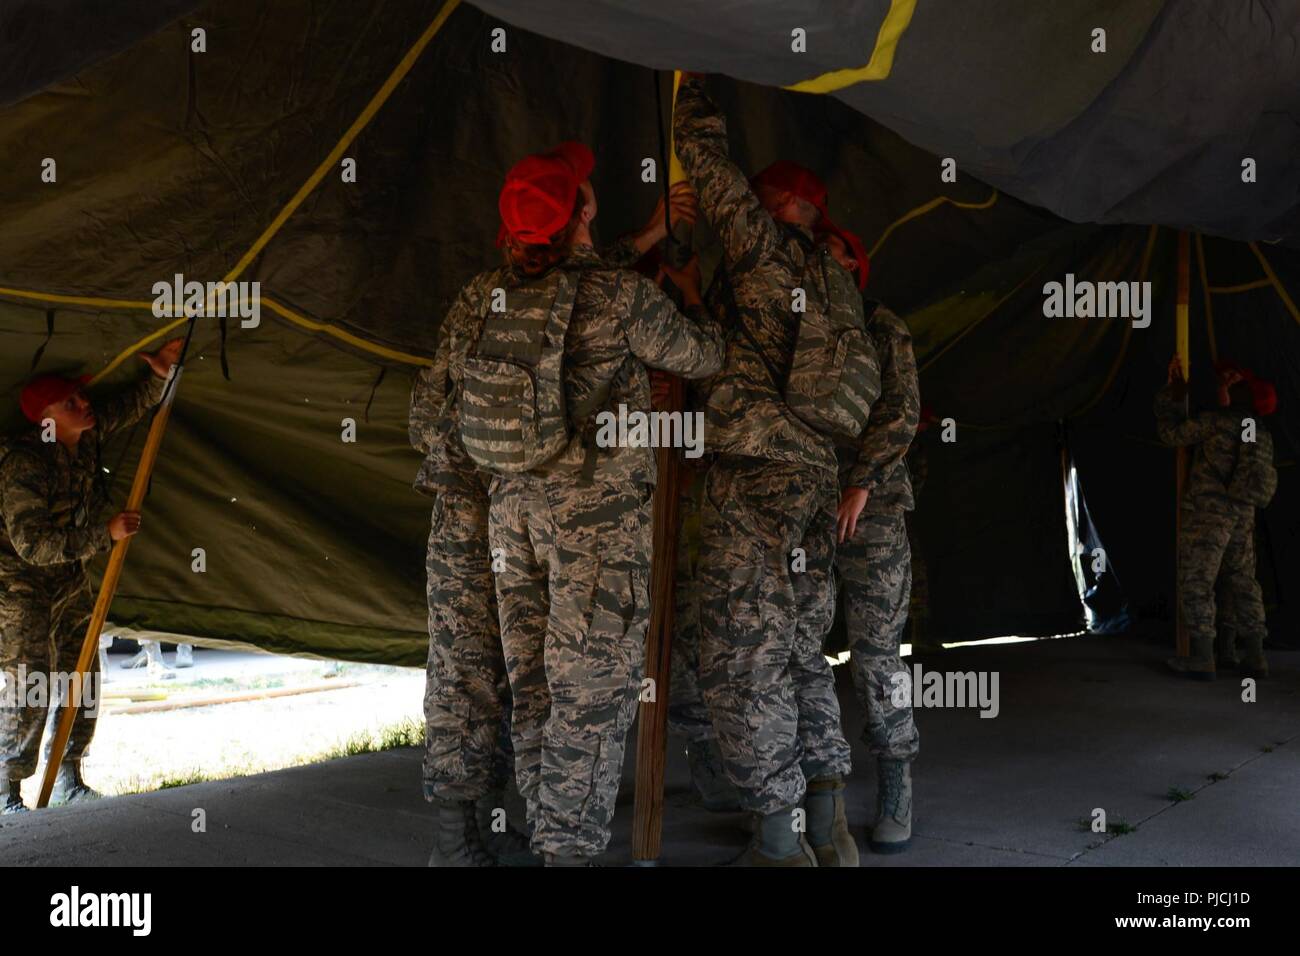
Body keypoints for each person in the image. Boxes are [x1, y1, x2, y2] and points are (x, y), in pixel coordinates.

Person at [437, 141, 723, 866]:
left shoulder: (481, 298)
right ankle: (566, 855)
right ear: (583, 213)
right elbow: (704, 356)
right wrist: (690, 296)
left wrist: (643, 241)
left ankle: (546, 836)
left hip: (512, 523)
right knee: (589, 699)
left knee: (534, 690)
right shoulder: (622, 299)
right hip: (595, 533)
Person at [674, 72, 880, 866]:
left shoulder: (758, 248)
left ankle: (775, 842)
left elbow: (702, 156)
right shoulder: (836, 284)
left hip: (752, 479)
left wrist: (692, 76)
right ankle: (828, 828)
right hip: (815, 485)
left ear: (768, 206)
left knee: (739, 661)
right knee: (799, 652)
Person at [0, 339, 181, 813]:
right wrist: (105, 534)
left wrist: (158, 375)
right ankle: (5, 789)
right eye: (71, 403)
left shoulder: (83, 438)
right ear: (45, 420)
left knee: (84, 679)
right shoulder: (24, 462)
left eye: (81, 398)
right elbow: (32, 546)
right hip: (19, 587)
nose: (85, 405)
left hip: (69, 581)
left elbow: (130, 406)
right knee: (30, 683)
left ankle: (68, 774)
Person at [824, 231, 922, 854]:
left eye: (835, 256)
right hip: (805, 507)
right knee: (795, 652)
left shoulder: (881, 326)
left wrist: (860, 482)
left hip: (873, 509)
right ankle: (814, 794)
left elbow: (902, 411)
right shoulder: (794, 321)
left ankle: (895, 777)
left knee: (877, 656)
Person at [1156, 356, 1278, 680]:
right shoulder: (1259, 431)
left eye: (1228, 385)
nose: (1221, 389)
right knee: (1243, 582)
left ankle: (1202, 658)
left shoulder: (1217, 421)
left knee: (1197, 580)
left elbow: (1171, 434)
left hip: (1209, 514)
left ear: (1236, 395)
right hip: (1243, 514)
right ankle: (1254, 656)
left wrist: (1172, 393)